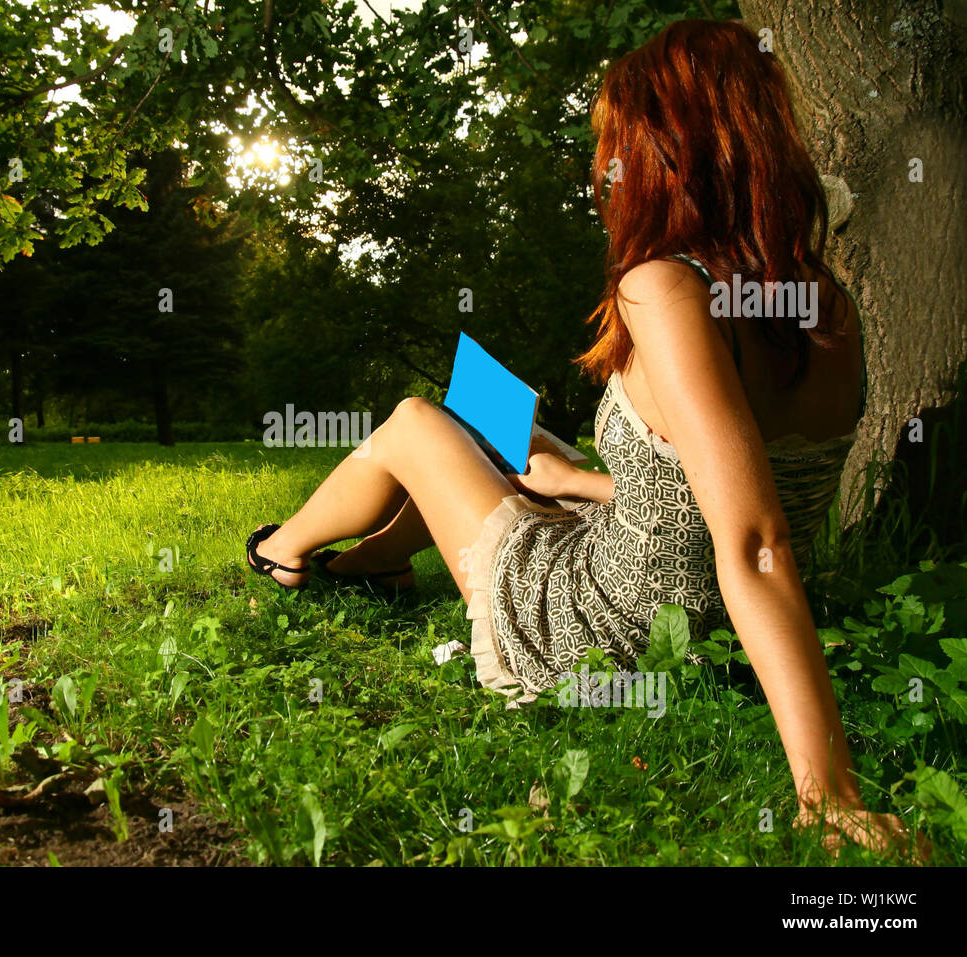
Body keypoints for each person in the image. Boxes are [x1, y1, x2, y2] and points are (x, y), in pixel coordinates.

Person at [245, 19, 927, 860]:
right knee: (504, 426)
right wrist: (577, 483)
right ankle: (374, 560)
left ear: (658, 150)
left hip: (600, 629)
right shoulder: (826, 306)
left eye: (616, 145)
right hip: (700, 623)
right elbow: (735, 492)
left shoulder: (664, 288)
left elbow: (754, 543)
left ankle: (283, 551)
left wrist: (831, 799)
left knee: (417, 421)